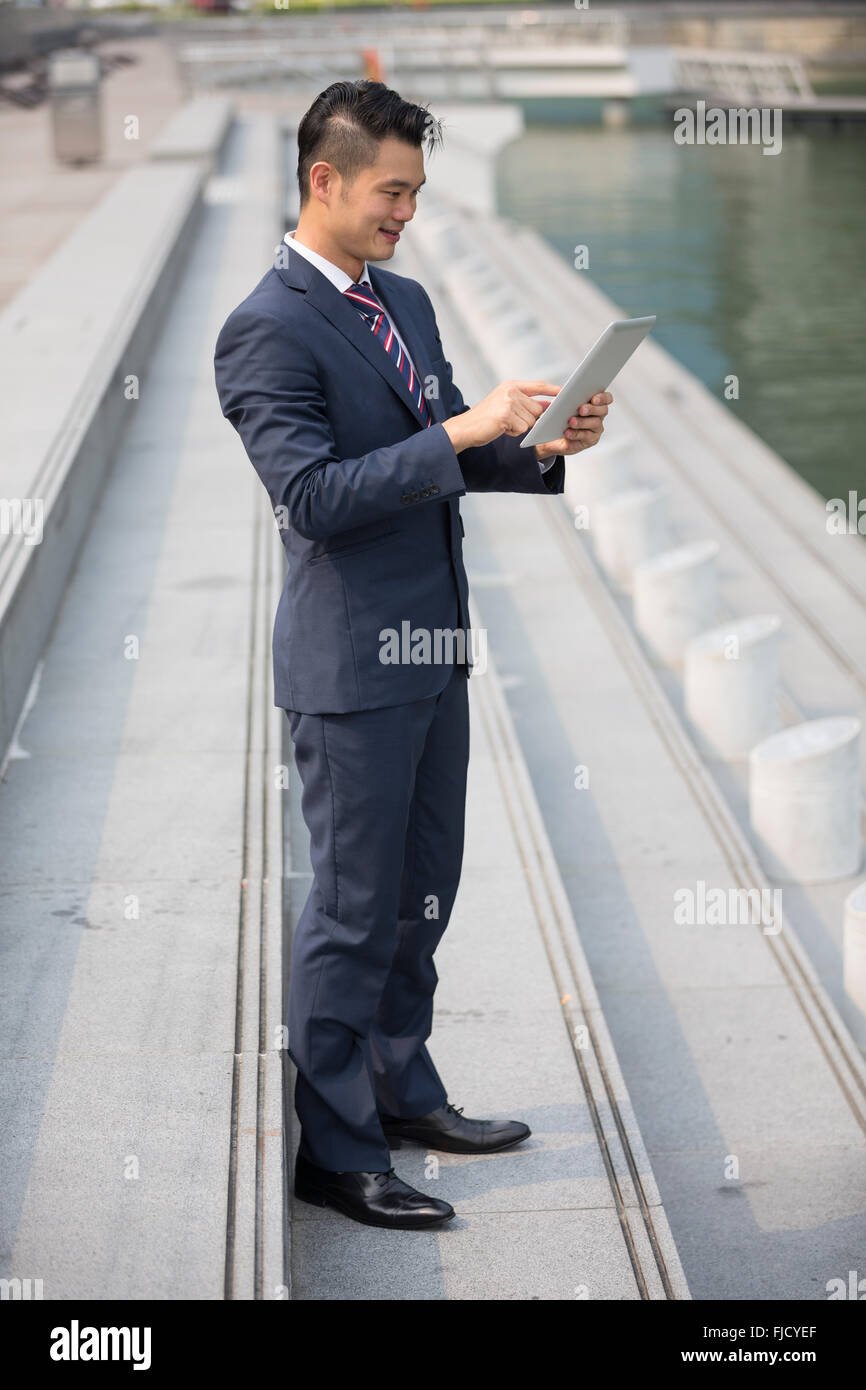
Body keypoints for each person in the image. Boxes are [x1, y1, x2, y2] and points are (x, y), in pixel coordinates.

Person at [214, 80, 612, 1231]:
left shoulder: (406, 299)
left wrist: (539, 447)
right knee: (350, 907)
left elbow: (444, 455)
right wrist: (458, 430)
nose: (406, 214)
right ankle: (335, 1151)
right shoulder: (266, 325)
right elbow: (313, 498)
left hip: (432, 654)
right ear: (323, 180)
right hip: (348, 674)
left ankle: (400, 1089)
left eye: (418, 194)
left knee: (417, 897)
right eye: (391, 193)